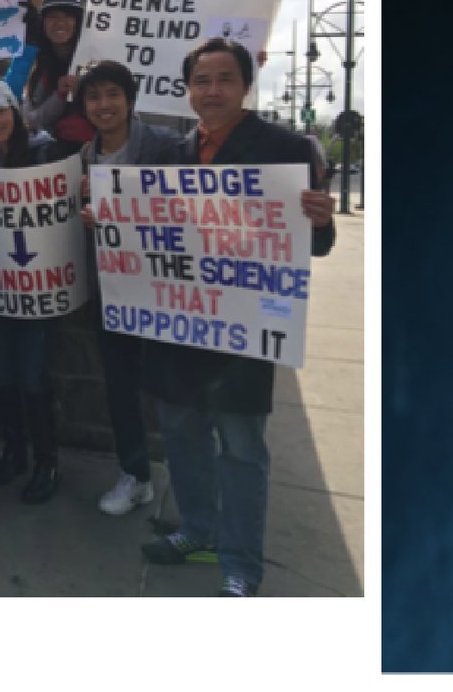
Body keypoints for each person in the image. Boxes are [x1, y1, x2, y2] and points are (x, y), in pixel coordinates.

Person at [139, 37, 336, 597]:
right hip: (180, 327)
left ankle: (242, 563)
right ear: (188, 90)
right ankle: (198, 532)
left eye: (224, 79)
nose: (212, 90)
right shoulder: (172, 155)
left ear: (246, 85)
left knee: (242, 447)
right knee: (181, 433)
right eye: (201, 81)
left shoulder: (286, 149)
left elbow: (317, 244)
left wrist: (319, 220)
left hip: (243, 333)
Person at [0, 79, 76, 503]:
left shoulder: (47, 151)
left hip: (36, 292)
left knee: (32, 377)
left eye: (0, 112)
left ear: (14, 111)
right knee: (2, 375)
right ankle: (14, 451)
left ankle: (48, 461)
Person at [74, 59, 180, 516]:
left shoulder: (165, 146)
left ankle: (191, 484)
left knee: (173, 389)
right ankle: (135, 475)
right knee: (119, 387)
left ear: (130, 99)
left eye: (113, 94)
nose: (104, 105)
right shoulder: (84, 157)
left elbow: (188, 209)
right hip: (112, 290)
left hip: (165, 289)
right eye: (94, 96)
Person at [20, 0, 94, 153]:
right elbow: (31, 119)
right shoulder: (40, 69)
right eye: (52, 17)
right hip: (57, 155)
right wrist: (59, 96)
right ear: (43, 23)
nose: (60, 23)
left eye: (68, 16)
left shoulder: (95, 62)